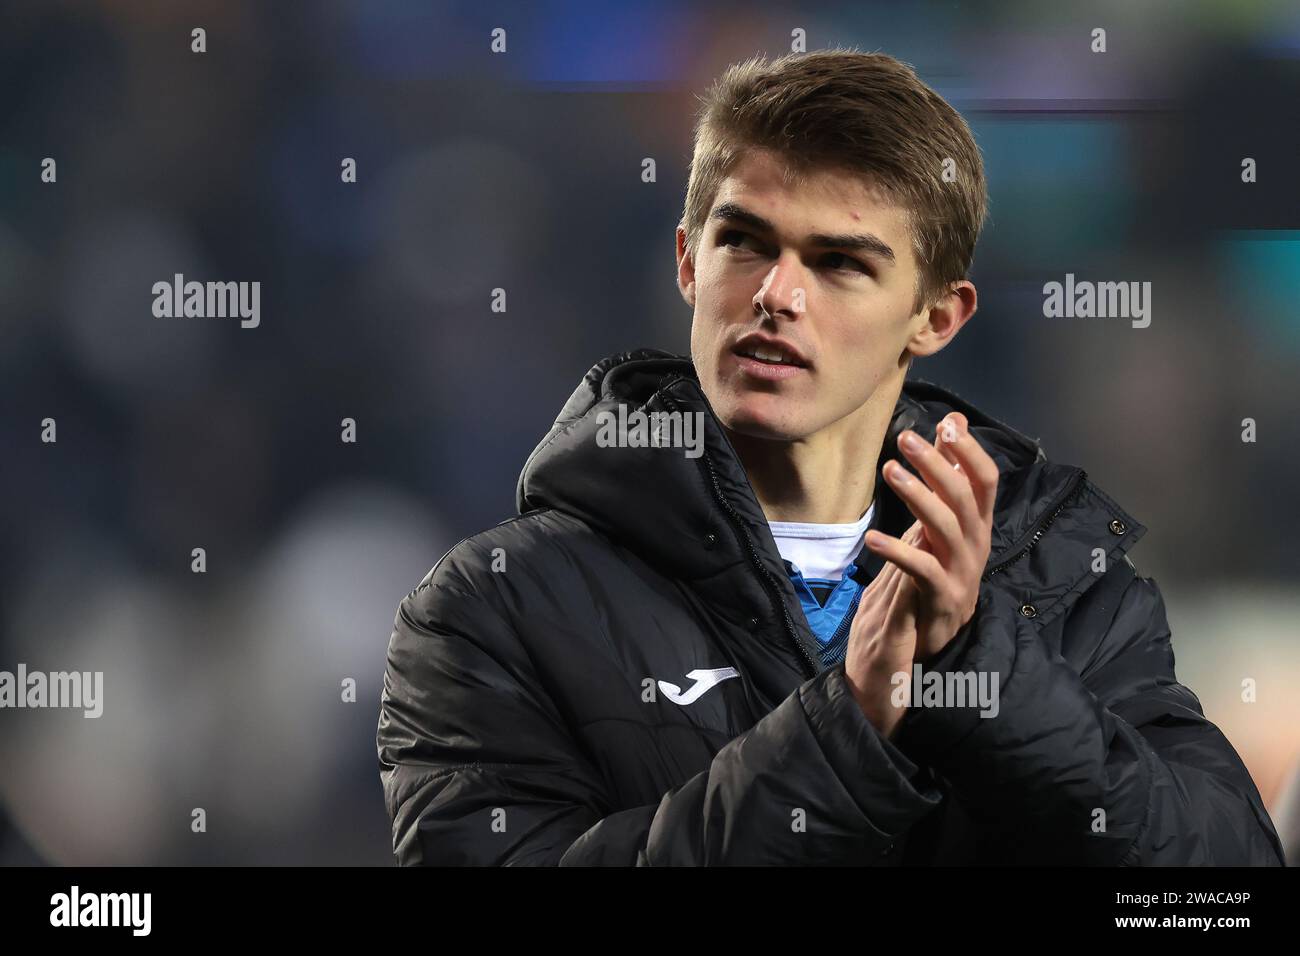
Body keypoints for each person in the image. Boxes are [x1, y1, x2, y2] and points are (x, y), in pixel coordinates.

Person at [376, 49, 1286, 866]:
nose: (776, 294)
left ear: (937, 316)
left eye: (840, 263)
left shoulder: (1073, 594)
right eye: (745, 241)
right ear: (689, 262)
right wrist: (851, 727)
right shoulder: (491, 614)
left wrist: (980, 668)